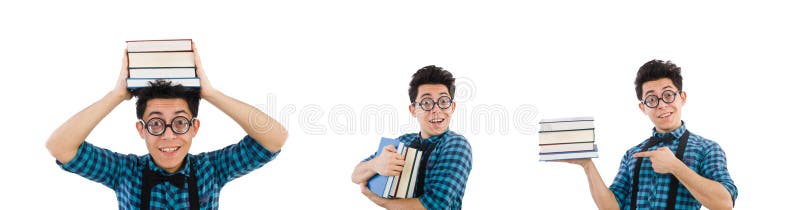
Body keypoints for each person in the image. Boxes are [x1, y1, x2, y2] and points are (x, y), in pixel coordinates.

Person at [46, 43, 288, 209]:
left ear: (195, 128)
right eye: (156, 123)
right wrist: (116, 95)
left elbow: (275, 138)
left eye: (180, 122)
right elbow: (60, 146)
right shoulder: (124, 171)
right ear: (141, 130)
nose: (169, 135)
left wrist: (211, 94)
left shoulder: (211, 169)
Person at [561, 60, 737, 209]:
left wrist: (675, 166)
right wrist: (587, 165)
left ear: (682, 98)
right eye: (652, 99)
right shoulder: (632, 154)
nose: (661, 105)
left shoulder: (707, 149)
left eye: (668, 95)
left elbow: (724, 203)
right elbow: (612, 207)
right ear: (643, 107)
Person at [351, 65, 472, 209]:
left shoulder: (456, 145)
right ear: (413, 110)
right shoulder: (404, 141)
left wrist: (378, 200)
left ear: (452, 107)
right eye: (426, 102)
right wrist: (375, 164)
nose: (437, 110)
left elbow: (434, 206)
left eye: (444, 101)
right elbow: (356, 176)